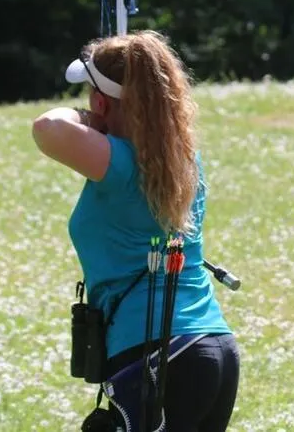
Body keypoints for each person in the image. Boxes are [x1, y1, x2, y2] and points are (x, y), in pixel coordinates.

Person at [31, 30, 239, 432]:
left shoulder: (121, 165)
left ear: (100, 102)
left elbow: (48, 127)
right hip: (214, 347)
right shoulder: (183, 161)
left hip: (156, 353)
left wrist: (90, 120)